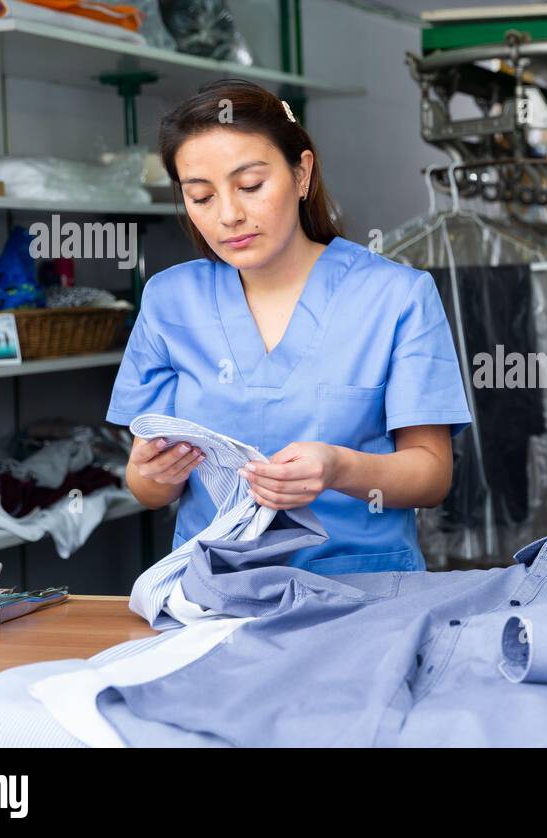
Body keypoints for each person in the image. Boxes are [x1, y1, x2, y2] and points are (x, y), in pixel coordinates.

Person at [107, 79, 472, 574]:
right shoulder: (170, 300)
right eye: (200, 196)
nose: (229, 216)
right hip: (216, 596)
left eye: (251, 186)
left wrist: (340, 468)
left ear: (302, 173)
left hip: (362, 594)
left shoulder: (395, 295)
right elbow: (149, 492)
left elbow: (431, 476)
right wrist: (150, 474)